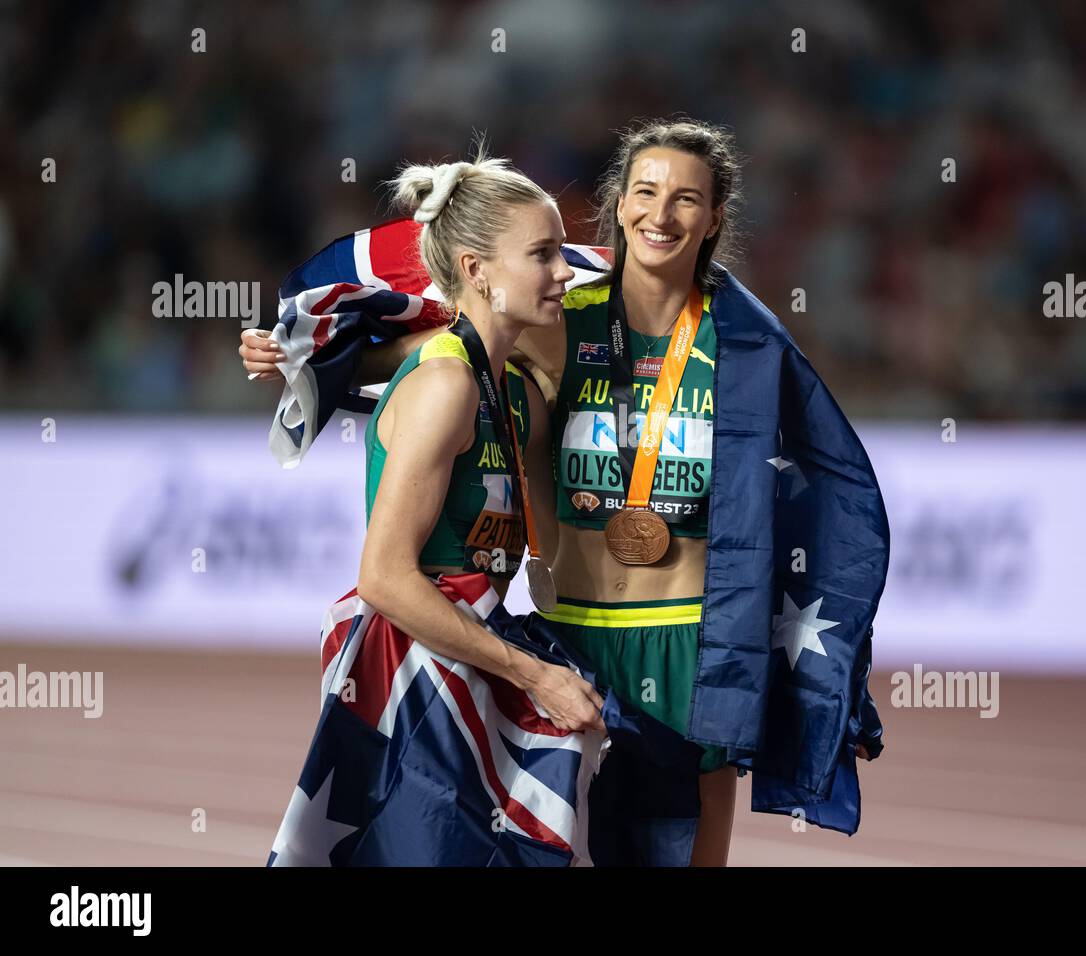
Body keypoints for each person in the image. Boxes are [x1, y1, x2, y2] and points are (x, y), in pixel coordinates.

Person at [244, 119, 884, 867]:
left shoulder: (745, 347)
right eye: (644, 191)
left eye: (687, 198)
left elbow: (819, 495)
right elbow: (461, 339)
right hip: (569, 642)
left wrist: (821, 665)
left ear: (715, 217)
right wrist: (310, 359)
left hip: (689, 643)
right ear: (618, 205)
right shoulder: (558, 322)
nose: (661, 212)